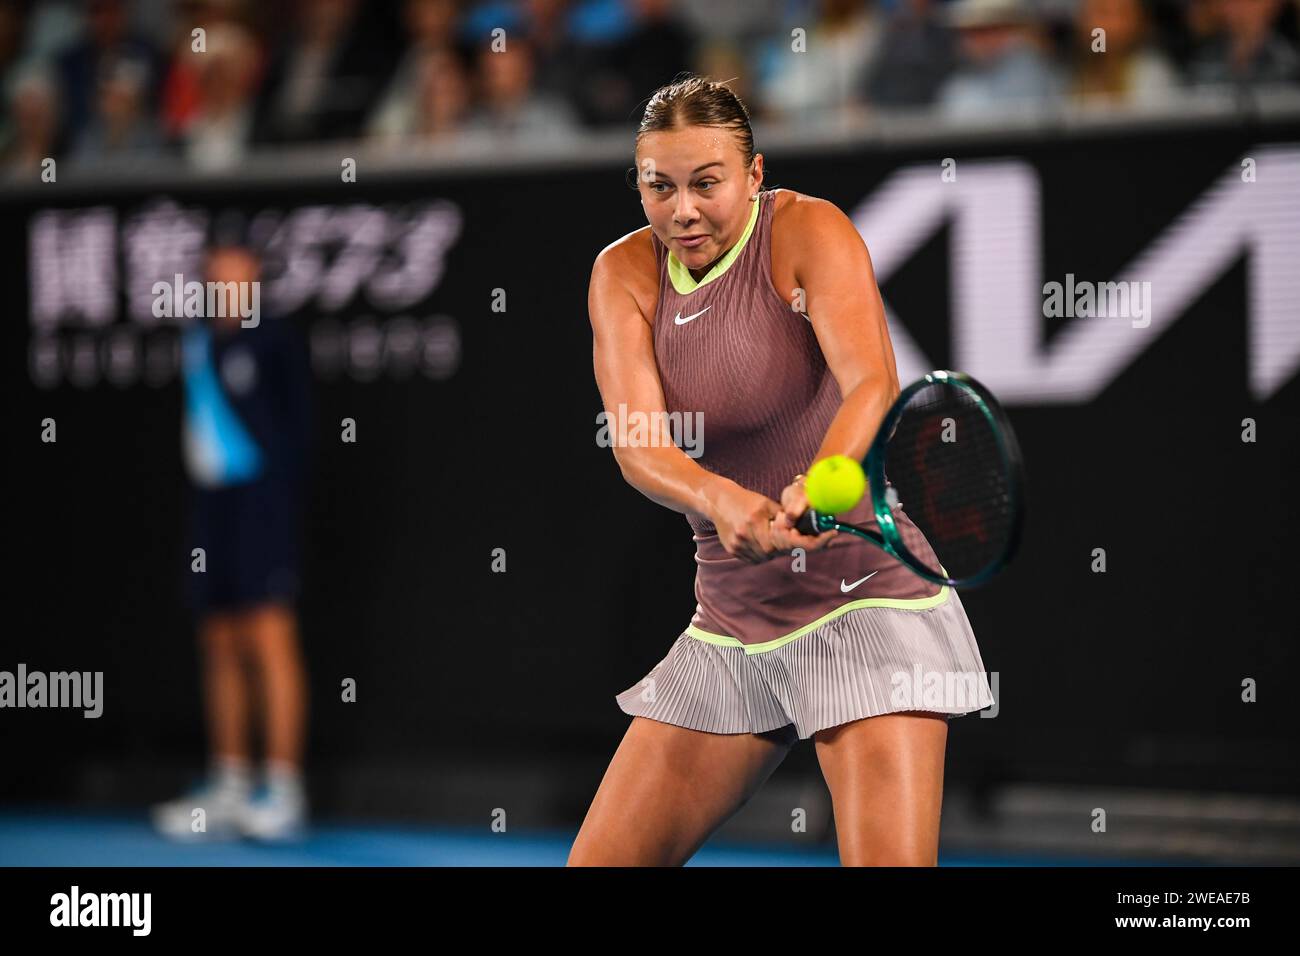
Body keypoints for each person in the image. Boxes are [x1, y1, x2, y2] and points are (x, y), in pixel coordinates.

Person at [570, 75, 994, 867]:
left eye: (706, 183)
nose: (682, 210)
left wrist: (822, 477)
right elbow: (638, 444)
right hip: (731, 620)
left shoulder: (810, 229)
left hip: (869, 606)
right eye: (658, 187)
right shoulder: (621, 273)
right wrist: (723, 500)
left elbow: (872, 381)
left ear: (754, 175)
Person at [152, 243, 313, 841]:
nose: (226, 281)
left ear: (254, 278)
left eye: (237, 272)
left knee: (268, 637)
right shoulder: (196, 341)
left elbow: (300, 437)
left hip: (264, 509)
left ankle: (284, 789)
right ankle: (229, 781)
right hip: (211, 511)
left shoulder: (274, 341)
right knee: (218, 639)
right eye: (216, 272)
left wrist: (276, 509)